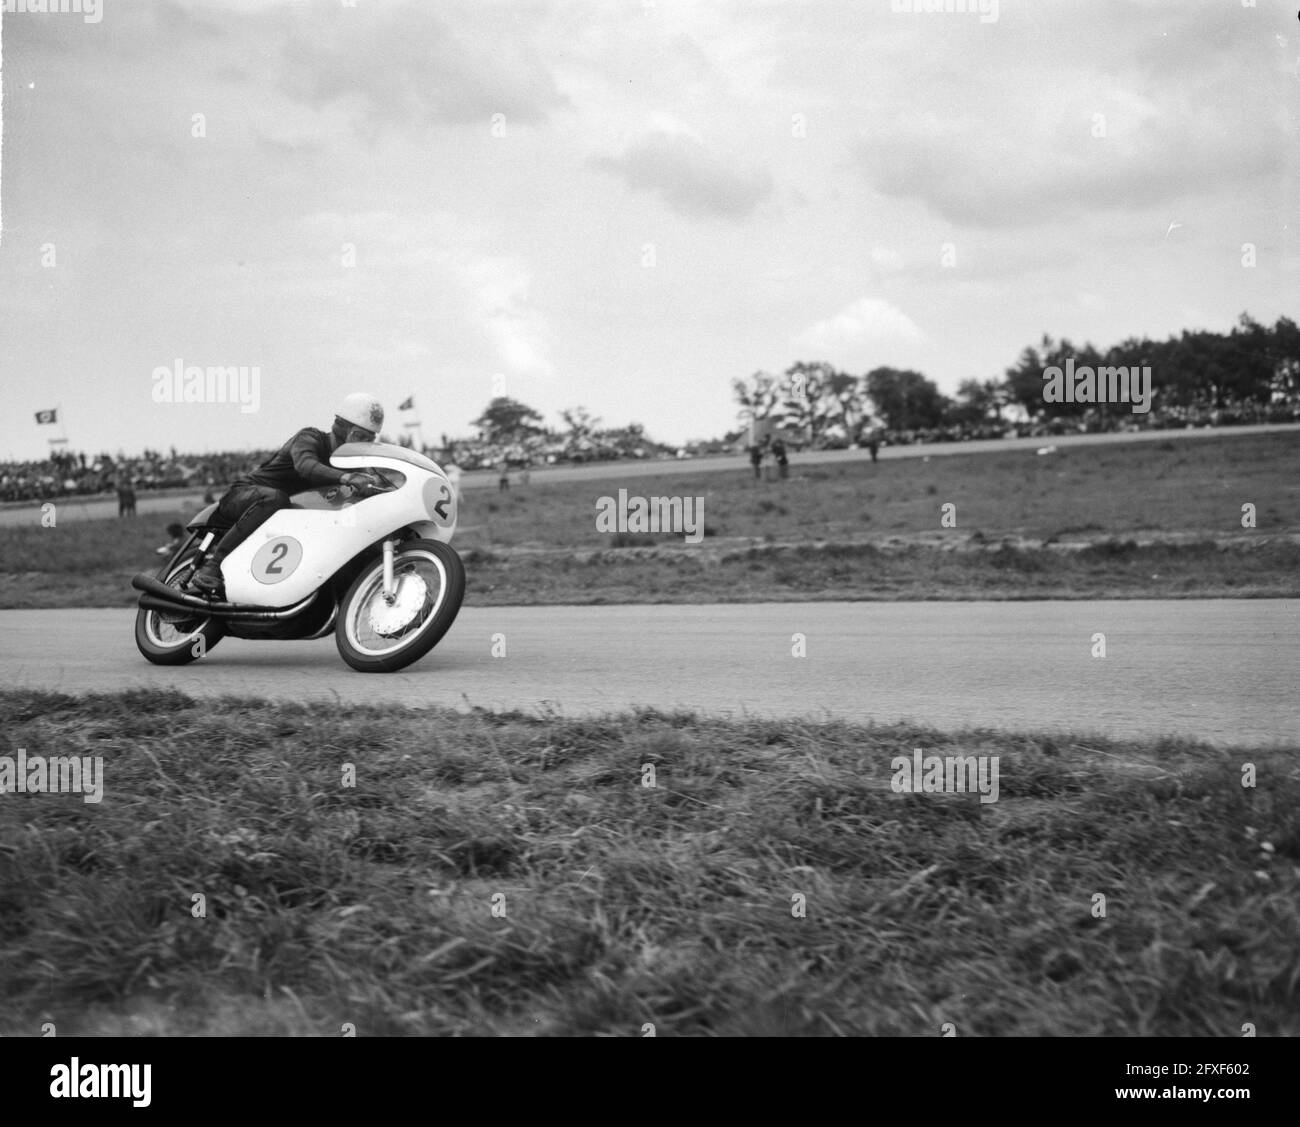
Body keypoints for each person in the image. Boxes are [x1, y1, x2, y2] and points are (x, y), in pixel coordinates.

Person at [189, 394, 385, 597]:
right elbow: (306, 466)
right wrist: (346, 477)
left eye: (369, 440)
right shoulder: (310, 438)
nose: (363, 443)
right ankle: (213, 566)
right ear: (342, 428)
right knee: (274, 499)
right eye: (359, 436)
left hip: (283, 518)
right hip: (245, 495)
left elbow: (371, 482)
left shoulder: (353, 462)